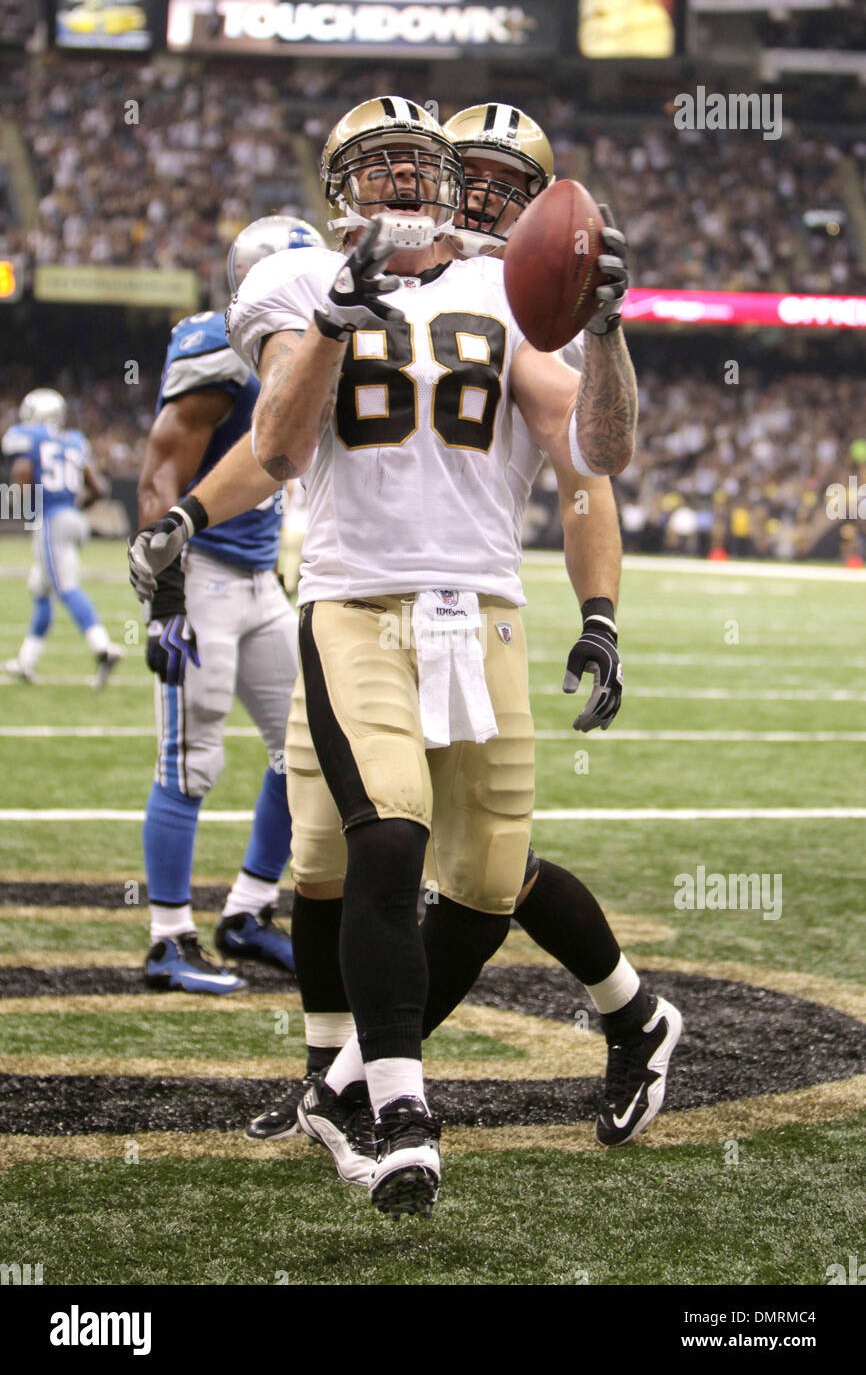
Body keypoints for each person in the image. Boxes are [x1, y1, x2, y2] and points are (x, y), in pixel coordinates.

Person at [128, 96, 651, 1218]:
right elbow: (273, 443)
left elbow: (595, 453)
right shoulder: (293, 279)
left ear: (451, 183)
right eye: (382, 170)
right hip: (349, 602)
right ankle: (391, 1101)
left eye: (422, 167)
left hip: (484, 613)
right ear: (338, 190)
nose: (407, 188)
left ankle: (346, 1081)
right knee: (365, 839)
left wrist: (604, 331)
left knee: (483, 881)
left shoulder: (496, 297)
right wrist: (333, 312)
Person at [134, 217, 324, 995]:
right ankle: (167, 938)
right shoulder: (219, 347)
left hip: (257, 581)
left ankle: (247, 912)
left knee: (302, 746)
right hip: (203, 575)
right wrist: (164, 596)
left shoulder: (312, 345)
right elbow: (158, 472)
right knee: (190, 761)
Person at [2, 388, 125, 689]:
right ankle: (26, 661)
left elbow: (21, 477)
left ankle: (102, 646)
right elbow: (98, 488)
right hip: (74, 519)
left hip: (52, 521)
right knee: (39, 588)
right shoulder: (74, 440)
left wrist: (19, 502)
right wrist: (73, 507)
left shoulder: (30, 438)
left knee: (66, 588)